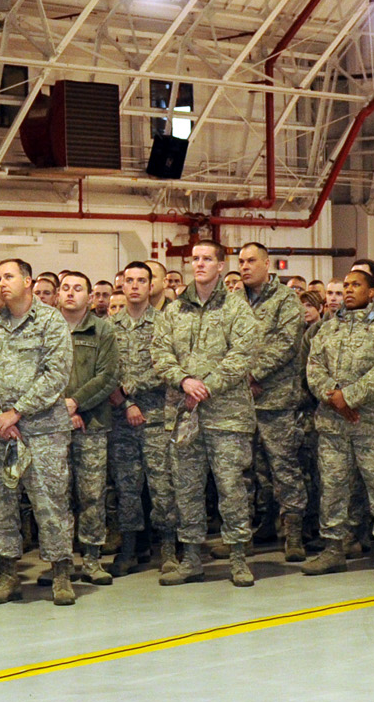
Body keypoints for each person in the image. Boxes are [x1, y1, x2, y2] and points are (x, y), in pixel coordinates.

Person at [154, 240, 259, 587]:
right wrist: (184, 380)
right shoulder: (173, 310)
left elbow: (242, 354)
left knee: (231, 488)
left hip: (227, 416)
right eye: (195, 259)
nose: (199, 264)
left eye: (206, 259)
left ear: (219, 265)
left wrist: (207, 385)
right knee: (186, 489)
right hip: (184, 415)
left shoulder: (236, 307)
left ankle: (239, 558)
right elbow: (160, 353)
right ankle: (192, 558)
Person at [0, 258, 76, 606]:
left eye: (8, 277)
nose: (0, 284)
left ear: (28, 281)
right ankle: (7, 574)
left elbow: (56, 374)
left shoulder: (50, 321)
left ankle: (61, 572)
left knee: (50, 501)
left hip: (43, 430)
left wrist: (17, 412)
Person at [302, 266, 374, 579]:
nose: (348, 290)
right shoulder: (329, 326)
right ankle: (334, 548)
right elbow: (314, 366)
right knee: (333, 488)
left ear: (372, 291)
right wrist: (332, 397)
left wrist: (348, 397)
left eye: (355, 285)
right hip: (334, 425)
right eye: (345, 285)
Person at [238, 243, 310, 563]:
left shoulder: (285, 300)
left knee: (284, 467)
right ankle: (262, 525)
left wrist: (253, 375)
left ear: (268, 264)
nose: (245, 266)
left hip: (276, 398)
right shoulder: (232, 301)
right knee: (250, 469)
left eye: (251, 261)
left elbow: (286, 342)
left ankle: (293, 531)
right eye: (241, 261)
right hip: (239, 401)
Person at [109, 261, 173, 576]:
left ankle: (168, 547)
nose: (135, 286)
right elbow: (106, 372)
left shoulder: (165, 323)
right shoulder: (109, 326)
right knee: (126, 486)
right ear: (121, 285)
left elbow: (167, 366)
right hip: (121, 418)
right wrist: (126, 403)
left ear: (151, 286)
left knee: (162, 484)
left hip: (157, 416)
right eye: (129, 280)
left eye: (141, 280)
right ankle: (130, 548)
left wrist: (130, 392)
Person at [60, 272, 120, 586]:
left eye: (78, 288)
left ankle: (93, 560)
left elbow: (108, 376)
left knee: (92, 494)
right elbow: (35, 374)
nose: (71, 293)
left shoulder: (103, 331)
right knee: (57, 495)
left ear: (90, 295)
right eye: (65, 288)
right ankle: (62, 561)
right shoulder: (47, 328)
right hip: (51, 426)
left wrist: (76, 404)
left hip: (92, 425)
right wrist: (62, 409)